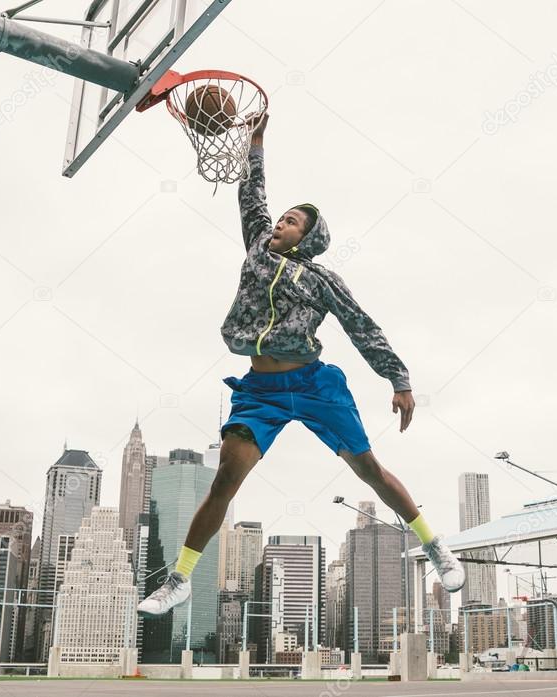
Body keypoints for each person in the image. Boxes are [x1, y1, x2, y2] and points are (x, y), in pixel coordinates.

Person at [138, 113, 464, 617]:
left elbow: (362, 324)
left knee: (369, 470)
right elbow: (252, 196)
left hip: (315, 385)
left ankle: (433, 543)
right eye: (280, 217)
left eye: (290, 221)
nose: (278, 223)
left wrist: (398, 378)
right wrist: (257, 144)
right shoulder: (257, 249)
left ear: (306, 239)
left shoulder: (322, 279)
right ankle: (179, 577)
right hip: (260, 391)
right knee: (227, 474)